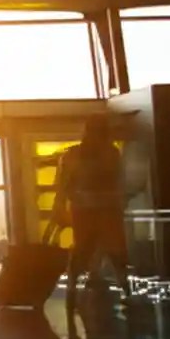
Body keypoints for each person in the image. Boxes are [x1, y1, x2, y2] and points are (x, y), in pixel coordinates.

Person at [52, 115, 131, 307]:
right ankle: (123, 288)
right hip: (94, 209)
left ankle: (123, 288)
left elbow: (63, 186)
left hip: (98, 209)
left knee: (106, 250)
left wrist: (60, 205)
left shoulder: (106, 154)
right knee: (88, 250)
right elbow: (63, 185)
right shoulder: (101, 154)